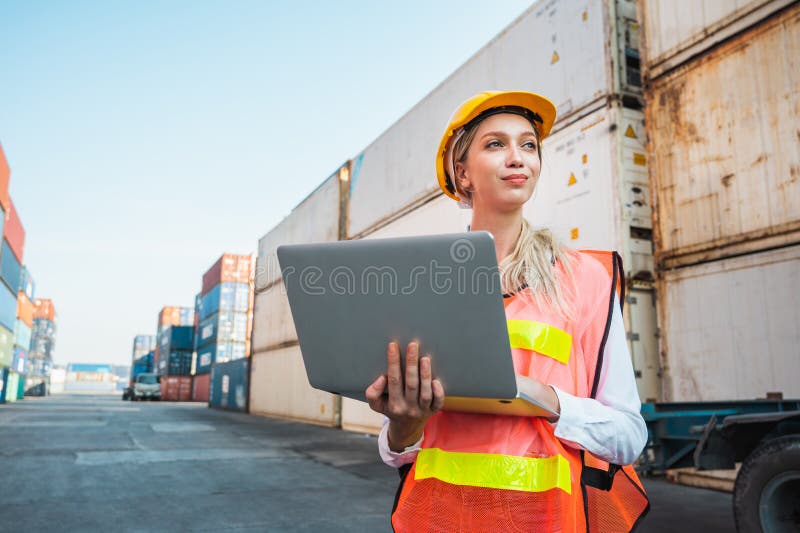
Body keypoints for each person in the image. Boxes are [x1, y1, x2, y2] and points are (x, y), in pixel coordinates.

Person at [365, 91, 651, 532]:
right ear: (462, 172)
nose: (517, 157)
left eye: (529, 144)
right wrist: (404, 426)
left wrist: (544, 398)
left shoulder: (584, 280)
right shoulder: (424, 284)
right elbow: (397, 453)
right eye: (496, 143)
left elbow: (630, 436)